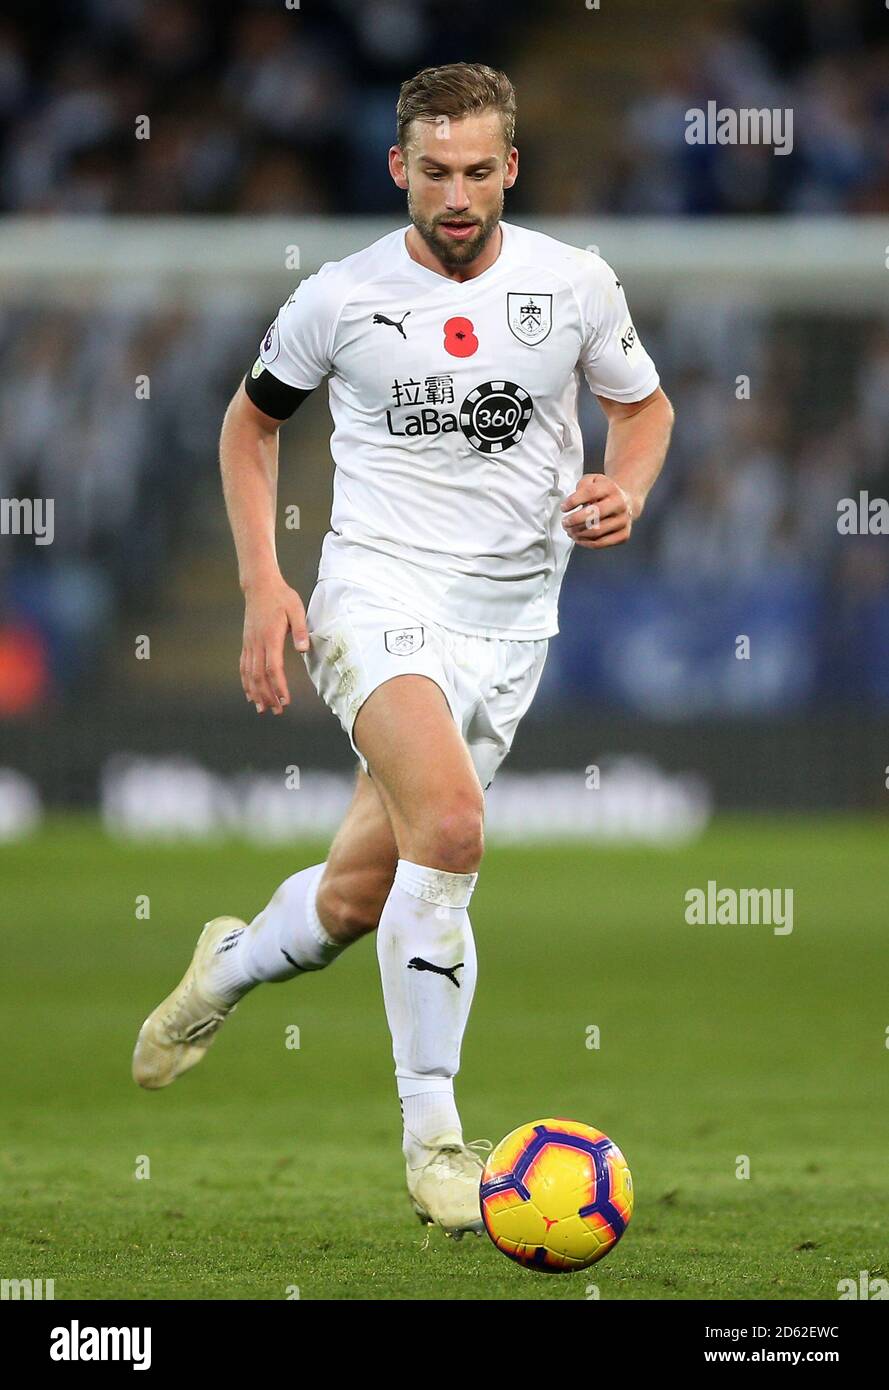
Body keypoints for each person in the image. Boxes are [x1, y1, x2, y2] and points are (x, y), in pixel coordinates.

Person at [132, 61, 674, 1239]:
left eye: (480, 170)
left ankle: (227, 965)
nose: (459, 192)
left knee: (356, 898)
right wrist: (262, 581)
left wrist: (624, 489)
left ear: (510, 168)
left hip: (512, 623)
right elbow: (248, 427)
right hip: (374, 595)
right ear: (399, 170)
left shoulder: (574, 285)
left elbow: (644, 408)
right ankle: (435, 1141)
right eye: (436, 171)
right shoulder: (338, 298)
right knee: (455, 829)